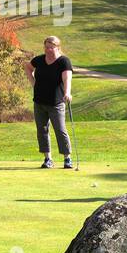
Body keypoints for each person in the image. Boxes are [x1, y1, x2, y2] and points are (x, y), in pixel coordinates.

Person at [27, 35, 73, 169]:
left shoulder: (64, 61)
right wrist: (33, 83)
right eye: (46, 47)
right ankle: (48, 159)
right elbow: (28, 67)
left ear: (57, 47)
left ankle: (67, 158)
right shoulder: (39, 60)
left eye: (51, 47)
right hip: (39, 102)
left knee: (60, 130)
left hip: (56, 102)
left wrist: (67, 92)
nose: (48, 50)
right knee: (42, 130)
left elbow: (67, 79)